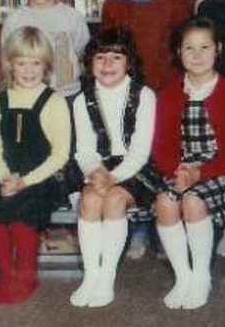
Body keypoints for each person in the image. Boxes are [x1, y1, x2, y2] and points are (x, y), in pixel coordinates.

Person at [150, 17, 225, 310]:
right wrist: (180, 171)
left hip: (224, 171)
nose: (197, 55)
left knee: (193, 202)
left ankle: (201, 275)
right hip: (182, 170)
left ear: (217, 49)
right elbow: (162, 148)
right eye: (189, 48)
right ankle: (182, 276)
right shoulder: (169, 94)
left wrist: (201, 173)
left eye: (205, 47)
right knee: (164, 202)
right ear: (179, 53)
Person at [0, 27, 71, 304]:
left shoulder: (53, 102)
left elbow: (60, 154)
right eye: (21, 63)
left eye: (36, 63)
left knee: (21, 218)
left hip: (43, 176)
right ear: (9, 65)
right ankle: (8, 274)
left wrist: (24, 182)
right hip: (7, 172)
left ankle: (27, 275)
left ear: (46, 66)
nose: (28, 70)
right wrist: (4, 178)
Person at [69, 28, 161, 308]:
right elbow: (84, 150)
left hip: (138, 168)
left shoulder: (144, 95)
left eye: (116, 57)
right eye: (100, 57)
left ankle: (107, 275)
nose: (108, 64)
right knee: (89, 200)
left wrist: (113, 178)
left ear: (129, 62)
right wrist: (96, 173)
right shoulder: (81, 100)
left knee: (114, 198)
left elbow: (140, 152)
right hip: (101, 166)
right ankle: (91, 275)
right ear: (90, 63)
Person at [0, 0, 90, 98]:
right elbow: (6, 61)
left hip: (67, 95)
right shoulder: (14, 21)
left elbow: (83, 55)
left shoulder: (73, 18)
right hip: (27, 95)